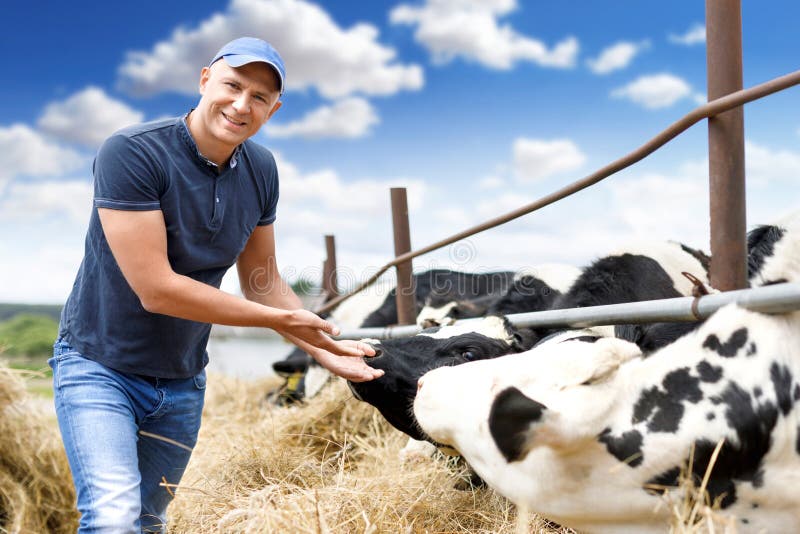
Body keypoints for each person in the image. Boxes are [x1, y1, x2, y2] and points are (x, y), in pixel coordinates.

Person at [50, 36, 382, 533]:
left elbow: (263, 283)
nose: (241, 104)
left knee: (148, 519)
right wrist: (280, 320)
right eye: (232, 85)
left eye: (260, 97)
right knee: (114, 517)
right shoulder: (133, 152)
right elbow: (157, 289)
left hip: (182, 378)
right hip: (100, 366)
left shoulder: (262, 169)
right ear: (205, 79)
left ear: (275, 109)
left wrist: (325, 350)